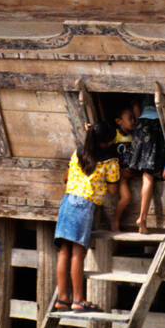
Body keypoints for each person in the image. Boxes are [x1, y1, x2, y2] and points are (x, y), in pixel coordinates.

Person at [54, 120, 119, 311]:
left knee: (64, 251)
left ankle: (63, 297)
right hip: (84, 204)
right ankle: (79, 299)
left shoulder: (79, 151)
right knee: (78, 252)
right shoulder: (110, 159)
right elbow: (114, 191)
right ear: (107, 142)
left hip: (67, 201)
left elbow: (65, 177)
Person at [130, 94, 165, 234]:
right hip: (156, 127)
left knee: (145, 174)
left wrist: (138, 123)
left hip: (141, 125)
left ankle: (142, 218)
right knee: (148, 175)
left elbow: (136, 105)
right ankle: (142, 218)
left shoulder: (144, 93)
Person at [112, 98, 136, 232]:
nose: (133, 121)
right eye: (130, 118)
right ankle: (115, 220)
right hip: (120, 174)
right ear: (118, 121)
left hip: (131, 172)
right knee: (126, 198)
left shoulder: (135, 136)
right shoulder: (114, 136)